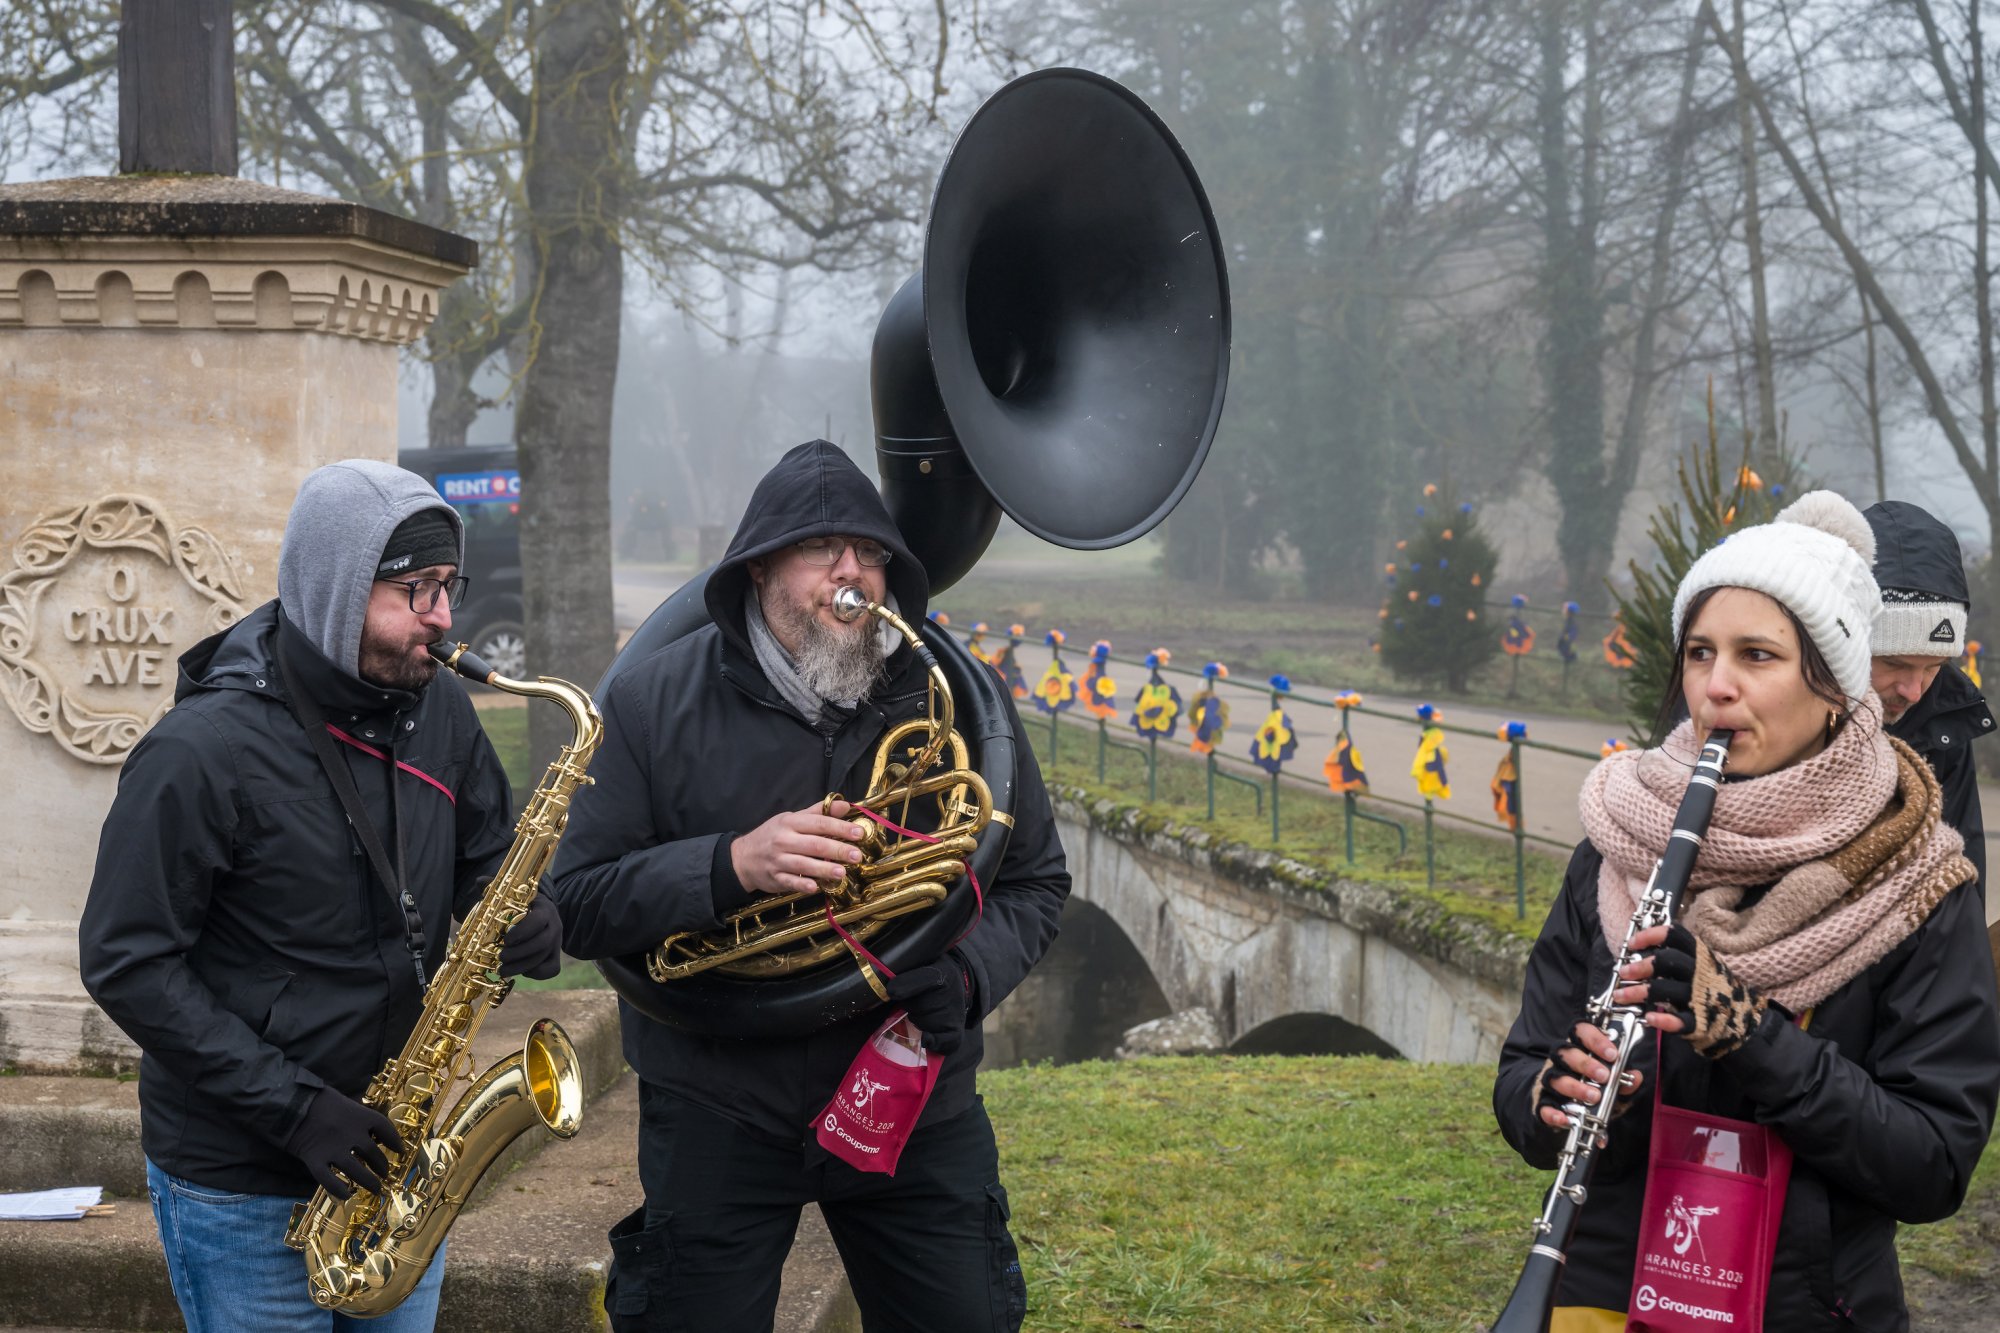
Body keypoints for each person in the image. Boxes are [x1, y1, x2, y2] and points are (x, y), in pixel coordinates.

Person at [548, 439, 1069, 1332]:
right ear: (759, 570)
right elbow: (578, 902)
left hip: (909, 1090)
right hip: (719, 1097)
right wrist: (731, 864)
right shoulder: (648, 702)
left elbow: (1035, 882)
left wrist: (972, 974)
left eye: (869, 552)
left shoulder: (952, 698)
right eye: (820, 550)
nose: (851, 573)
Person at [1493, 491, 2000, 1330]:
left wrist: (1749, 1037)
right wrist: (1553, 1097)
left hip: (1807, 1306)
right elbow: (1520, 1075)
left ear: (1836, 683)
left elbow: (1934, 1164)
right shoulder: (1620, 843)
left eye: (1756, 655)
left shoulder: (1917, 882)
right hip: (1603, 1296)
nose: (1716, 686)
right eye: (1700, 652)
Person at [79, 459, 563, 1332]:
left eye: (450, 586)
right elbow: (126, 961)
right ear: (340, 589)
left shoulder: (439, 707)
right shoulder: (199, 752)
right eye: (417, 590)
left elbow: (490, 847)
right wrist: (294, 1108)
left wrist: (520, 904)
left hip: (396, 1168)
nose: (445, 619)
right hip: (242, 1188)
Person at [1864, 499, 1994, 898]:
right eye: (1894, 662)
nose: (1915, 690)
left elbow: (1962, 881)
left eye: (1934, 665)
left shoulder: (1946, 716)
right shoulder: (1764, 713)